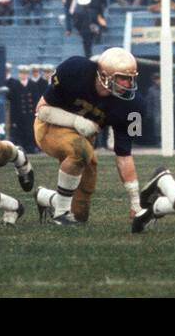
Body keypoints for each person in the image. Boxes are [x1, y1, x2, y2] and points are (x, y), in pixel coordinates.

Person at [31, 48, 147, 225]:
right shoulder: (75, 69)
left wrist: (135, 202)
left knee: (79, 215)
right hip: (51, 126)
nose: (128, 84)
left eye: (131, 78)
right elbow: (42, 110)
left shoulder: (134, 105)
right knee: (82, 150)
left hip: (84, 138)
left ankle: (46, 198)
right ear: (103, 75)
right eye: (122, 78)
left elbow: (124, 155)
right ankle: (60, 214)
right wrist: (77, 122)